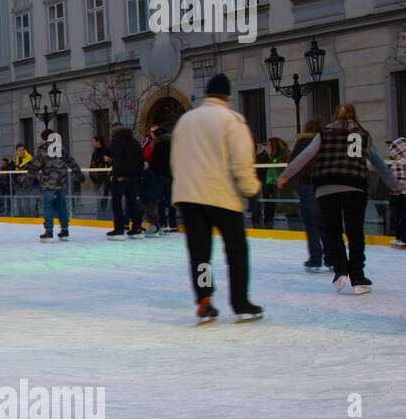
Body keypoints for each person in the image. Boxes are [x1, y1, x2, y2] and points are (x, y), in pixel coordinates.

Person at [170, 74, 263, 322]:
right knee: (236, 251)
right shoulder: (232, 120)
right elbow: (241, 161)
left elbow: (175, 160)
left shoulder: (186, 120)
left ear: (207, 95)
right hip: (222, 195)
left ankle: (204, 299)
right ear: (227, 96)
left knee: (200, 254)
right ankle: (240, 300)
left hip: (190, 196)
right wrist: (251, 190)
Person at [277, 103, 396, 294]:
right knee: (355, 233)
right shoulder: (362, 134)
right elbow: (378, 163)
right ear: (354, 116)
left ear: (335, 116)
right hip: (355, 186)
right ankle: (357, 276)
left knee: (332, 231)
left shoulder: (324, 133)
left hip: (326, 187)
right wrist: (394, 185)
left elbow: (305, 155)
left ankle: (340, 270)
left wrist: (286, 174)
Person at [26, 129, 85, 240]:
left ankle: (49, 230)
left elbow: (35, 166)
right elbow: (71, 162)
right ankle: (64, 229)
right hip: (61, 182)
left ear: (44, 138)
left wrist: (26, 181)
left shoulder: (43, 150)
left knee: (48, 206)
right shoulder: (61, 148)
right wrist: (79, 174)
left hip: (48, 183)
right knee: (62, 205)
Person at [290, 119, 327, 271]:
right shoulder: (327, 140)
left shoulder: (303, 142)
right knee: (327, 223)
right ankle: (332, 257)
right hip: (325, 184)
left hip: (308, 184)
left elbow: (294, 162)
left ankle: (315, 258)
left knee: (311, 224)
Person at [107, 124, 145, 239]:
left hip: (121, 177)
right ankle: (137, 227)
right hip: (134, 177)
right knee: (132, 202)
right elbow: (140, 160)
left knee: (116, 202)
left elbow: (118, 158)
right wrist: (137, 174)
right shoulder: (134, 142)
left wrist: (119, 174)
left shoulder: (116, 141)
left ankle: (119, 229)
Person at [149, 124, 175, 234]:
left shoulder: (158, 146)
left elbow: (154, 162)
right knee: (171, 200)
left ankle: (163, 223)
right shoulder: (173, 145)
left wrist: (151, 173)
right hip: (171, 175)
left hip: (159, 176)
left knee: (161, 201)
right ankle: (173, 223)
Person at [389, 135, 406, 249]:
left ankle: (402, 238)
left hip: (401, 194)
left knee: (401, 216)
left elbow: (398, 180)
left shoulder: (399, 163)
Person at [90, 136, 111, 215]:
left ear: (98, 142)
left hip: (106, 180)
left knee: (105, 195)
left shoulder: (107, 151)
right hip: (97, 180)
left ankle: (105, 211)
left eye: (94, 141)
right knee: (98, 197)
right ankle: (100, 212)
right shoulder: (95, 154)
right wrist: (93, 178)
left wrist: (109, 160)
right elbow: (92, 166)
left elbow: (111, 163)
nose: (93, 143)